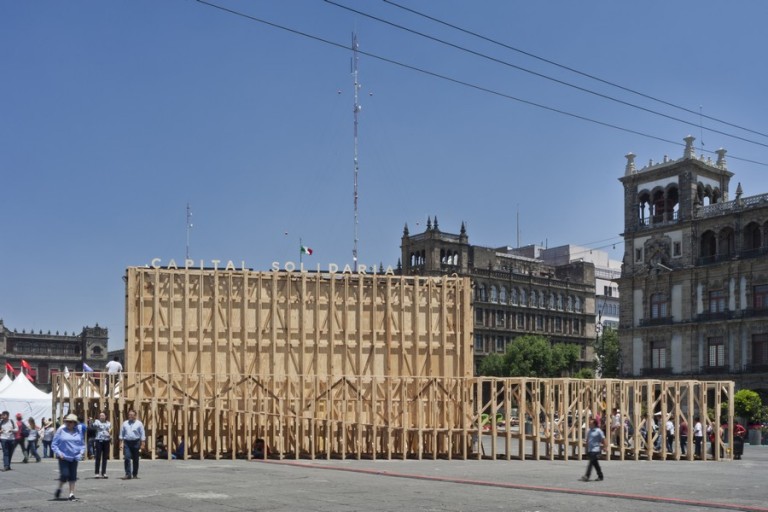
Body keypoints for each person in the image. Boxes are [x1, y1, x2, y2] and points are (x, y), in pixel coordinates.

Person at [52, 413, 86, 501]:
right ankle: (59, 487)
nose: (69, 423)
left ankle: (71, 494)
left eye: (71, 422)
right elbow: (54, 444)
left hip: (74, 457)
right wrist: (59, 453)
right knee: (65, 474)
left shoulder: (78, 432)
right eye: (67, 421)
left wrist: (81, 453)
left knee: (73, 476)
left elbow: (82, 444)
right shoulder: (61, 430)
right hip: (63, 456)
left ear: (75, 423)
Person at [119, 409, 146, 479]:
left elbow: (142, 434)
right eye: (129, 415)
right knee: (127, 458)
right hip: (127, 442)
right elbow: (121, 434)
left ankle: (135, 474)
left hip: (136, 442)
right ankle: (128, 474)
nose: (130, 416)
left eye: (131, 415)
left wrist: (143, 443)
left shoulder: (139, 424)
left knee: (135, 459)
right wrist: (120, 443)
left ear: (135, 416)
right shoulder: (125, 423)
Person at [93, 412, 111, 478]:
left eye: (103, 415)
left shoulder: (109, 423)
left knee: (105, 457)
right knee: (98, 457)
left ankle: (104, 472)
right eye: (100, 415)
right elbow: (94, 425)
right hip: (99, 440)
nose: (101, 416)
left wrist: (110, 435)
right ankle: (97, 473)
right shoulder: (97, 422)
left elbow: (110, 430)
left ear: (106, 416)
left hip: (106, 440)